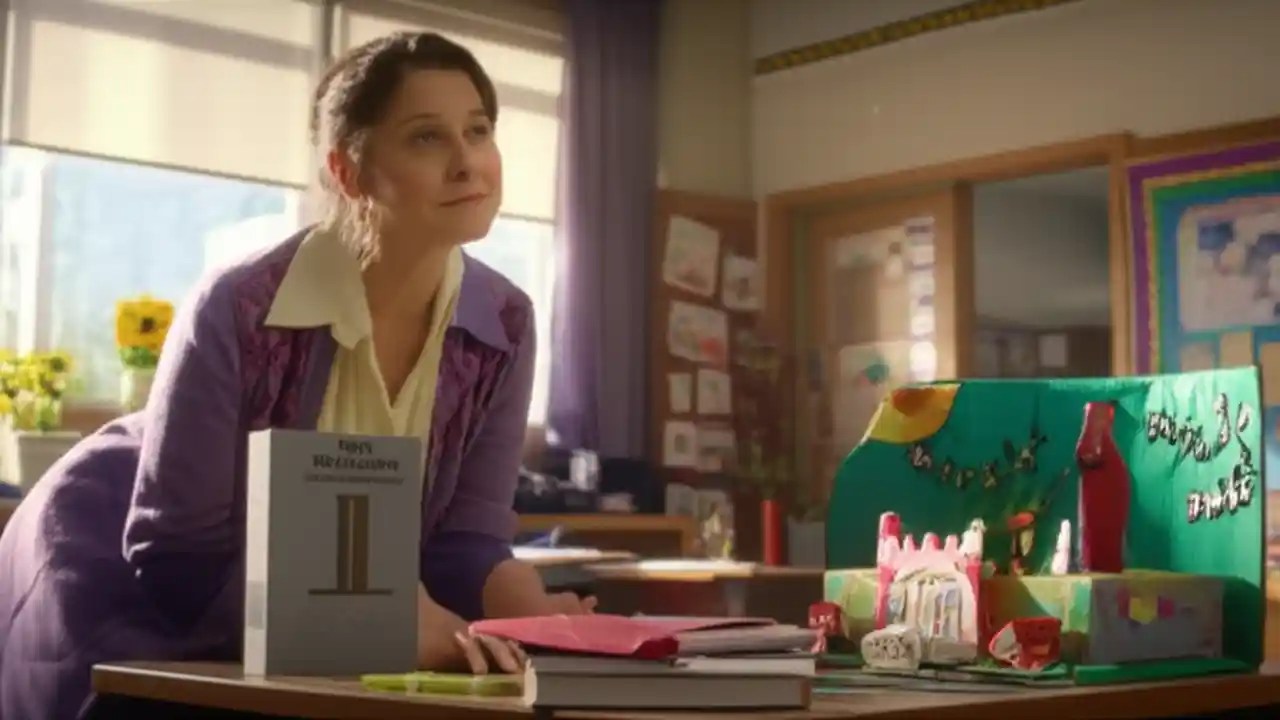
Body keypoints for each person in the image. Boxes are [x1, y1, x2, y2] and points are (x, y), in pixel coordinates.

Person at [0, 31, 593, 720]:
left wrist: (515, 600)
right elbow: (178, 559)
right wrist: (364, 623)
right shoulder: (240, 305)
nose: (469, 163)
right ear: (348, 172)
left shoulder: (508, 324)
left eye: (479, 130)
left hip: (335, 610)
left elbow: (465, 541)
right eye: (427, 138)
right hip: (132, 559)